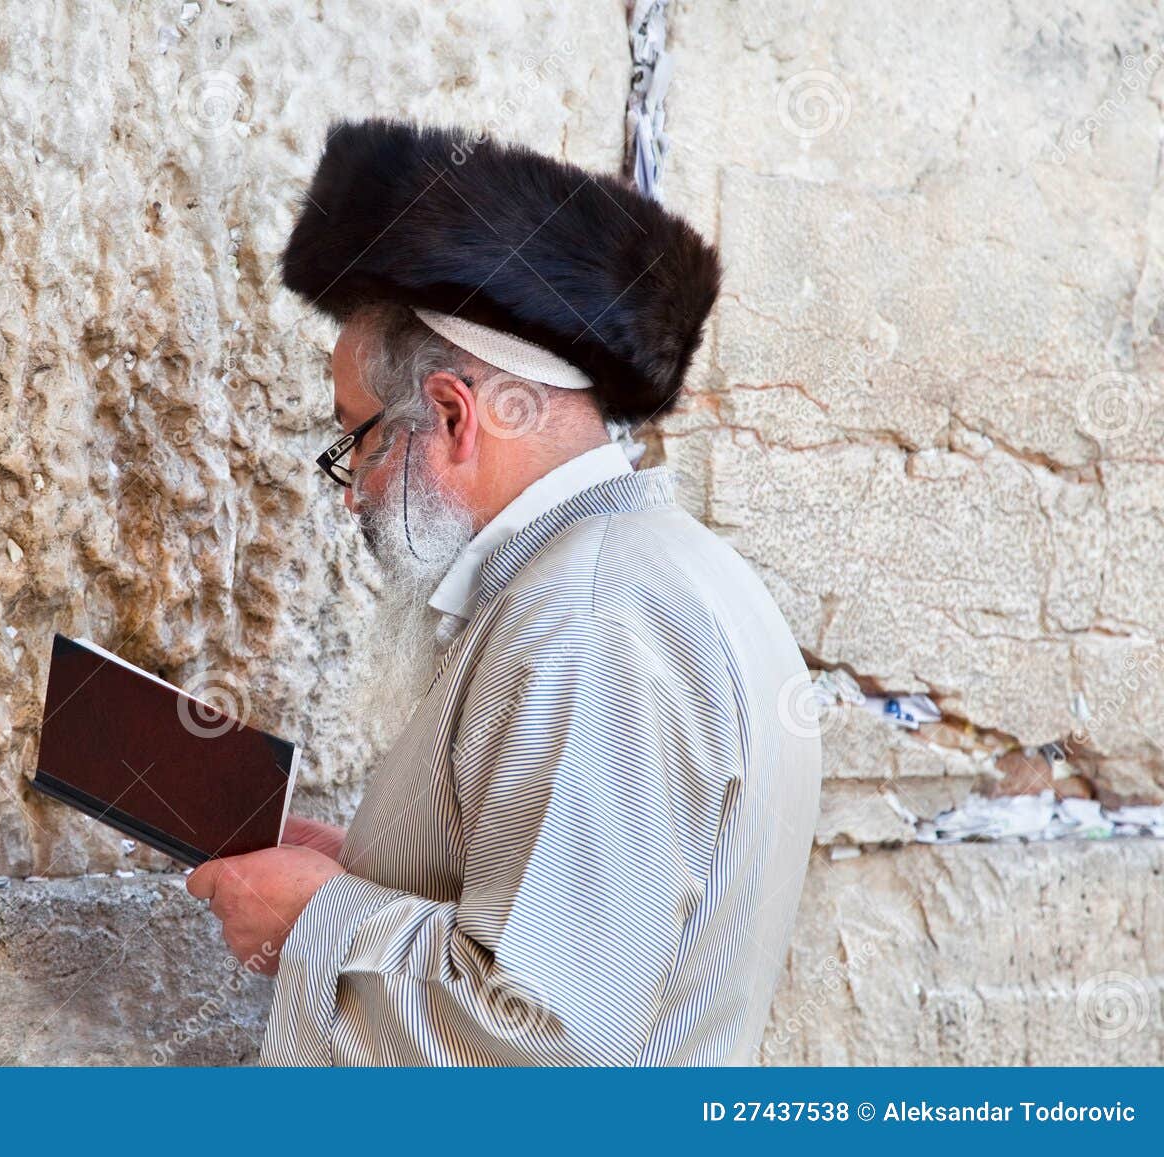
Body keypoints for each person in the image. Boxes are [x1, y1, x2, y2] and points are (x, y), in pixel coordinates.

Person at [185, 118, 822, 1065]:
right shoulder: (649, 568)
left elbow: (544, 1038)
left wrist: (315, 916)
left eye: (357, 436)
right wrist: (365, 869)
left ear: (451, 414)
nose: (353, 486)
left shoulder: (590, 618)